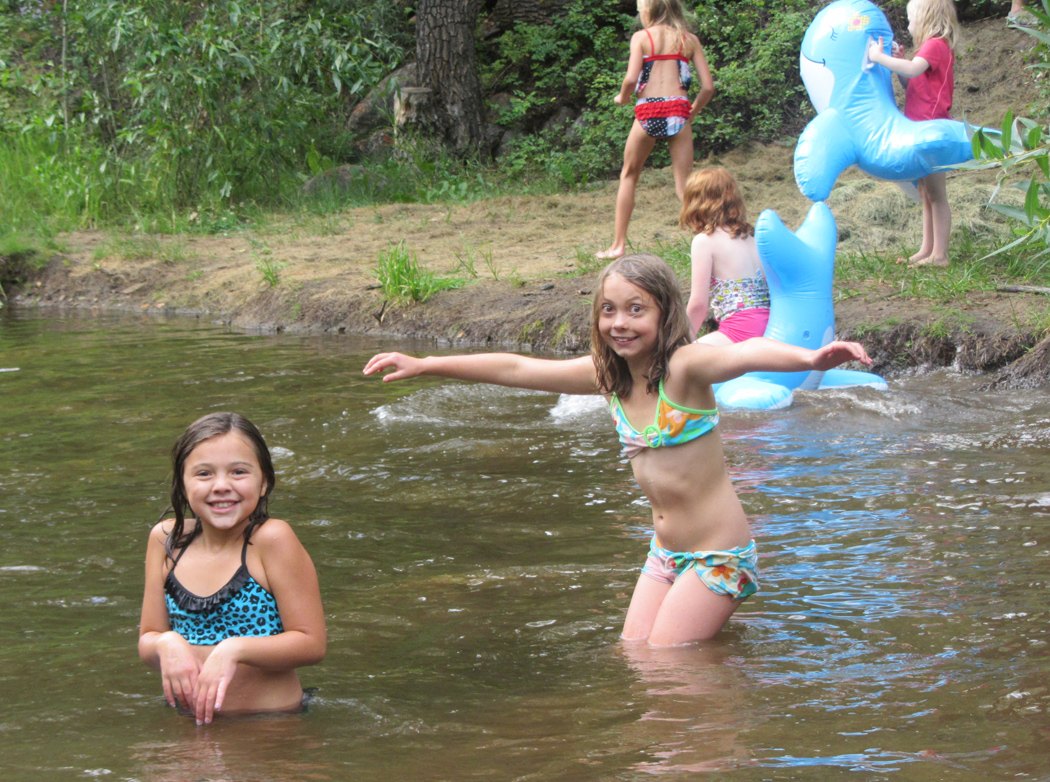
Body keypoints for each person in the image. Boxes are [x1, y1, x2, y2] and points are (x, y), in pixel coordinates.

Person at [363, 255, 872, 646]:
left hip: (717, 557)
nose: (620, 323)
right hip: (664, 555)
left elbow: (744, 354)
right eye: (609, 310)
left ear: (665, 313)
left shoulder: (685, 369)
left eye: (636, 309)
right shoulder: (608, 379)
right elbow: (518, 369)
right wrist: (429, 363)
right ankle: (725, 682)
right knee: (635, 655)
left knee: (668, 664)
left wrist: (809, 356)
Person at [138, 412, 326, 725]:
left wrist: (234, 649)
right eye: (203, 474)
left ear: (264, 482)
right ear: (182, 485)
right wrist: (166, 642)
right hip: (189, 723)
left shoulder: (271, 540)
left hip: (271, 724)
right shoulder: (166, 541)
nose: (222, 486)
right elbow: (148, 637)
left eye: (239, 472)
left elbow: (311, 643)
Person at [596, 0, 715, 261]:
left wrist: (622, 97)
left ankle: (618, 245)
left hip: (649, 110)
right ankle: (704, 239)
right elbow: (708, 87)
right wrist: (691, 112)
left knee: (629, 174)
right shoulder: (689, 39)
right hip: (679, 110)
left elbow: (630, 79)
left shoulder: (642, 37)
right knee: (684, 184)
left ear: (648, 10)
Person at [867, 0, 961, 267]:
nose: (909, 26)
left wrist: (879, 58)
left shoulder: (936, 45)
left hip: (931, 130)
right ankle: (926, 249)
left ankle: (940, 255)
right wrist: (897, 61)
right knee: (925, 193)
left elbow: (912, 69)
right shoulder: (931, 47)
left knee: (936, 195)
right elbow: (911, 82)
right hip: (921, 129)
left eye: (911, 20)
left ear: (925, 17)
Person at [678, 166, 769, 344]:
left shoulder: (704, 241)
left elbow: (699, 305)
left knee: (682, 362)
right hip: (770, 326)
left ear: (694, 203)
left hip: (739, 330)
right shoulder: (751, 238)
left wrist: (683, 341)